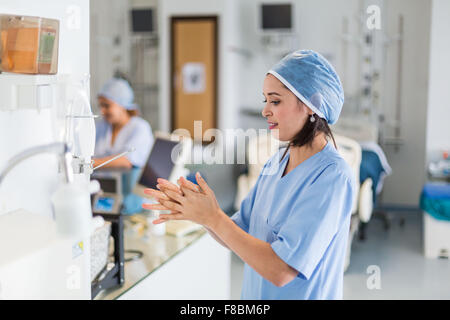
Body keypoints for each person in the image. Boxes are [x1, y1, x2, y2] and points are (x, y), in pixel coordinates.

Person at [143, 50, 356, 299]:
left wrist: (213, 218)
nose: (265, 111)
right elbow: (237, 233)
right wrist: (198, 211)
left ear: (311, 105)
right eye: (265, 100)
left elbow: (282, 270)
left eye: (275, 101)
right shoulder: (277, 161)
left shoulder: (332, 177)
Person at [94, 77, 153, 169]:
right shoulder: (100, 126)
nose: (102, 111)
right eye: (100, 106)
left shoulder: (140, 127)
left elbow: (127, 161)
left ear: (122, 105)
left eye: (106, 105)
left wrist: (88, 164)